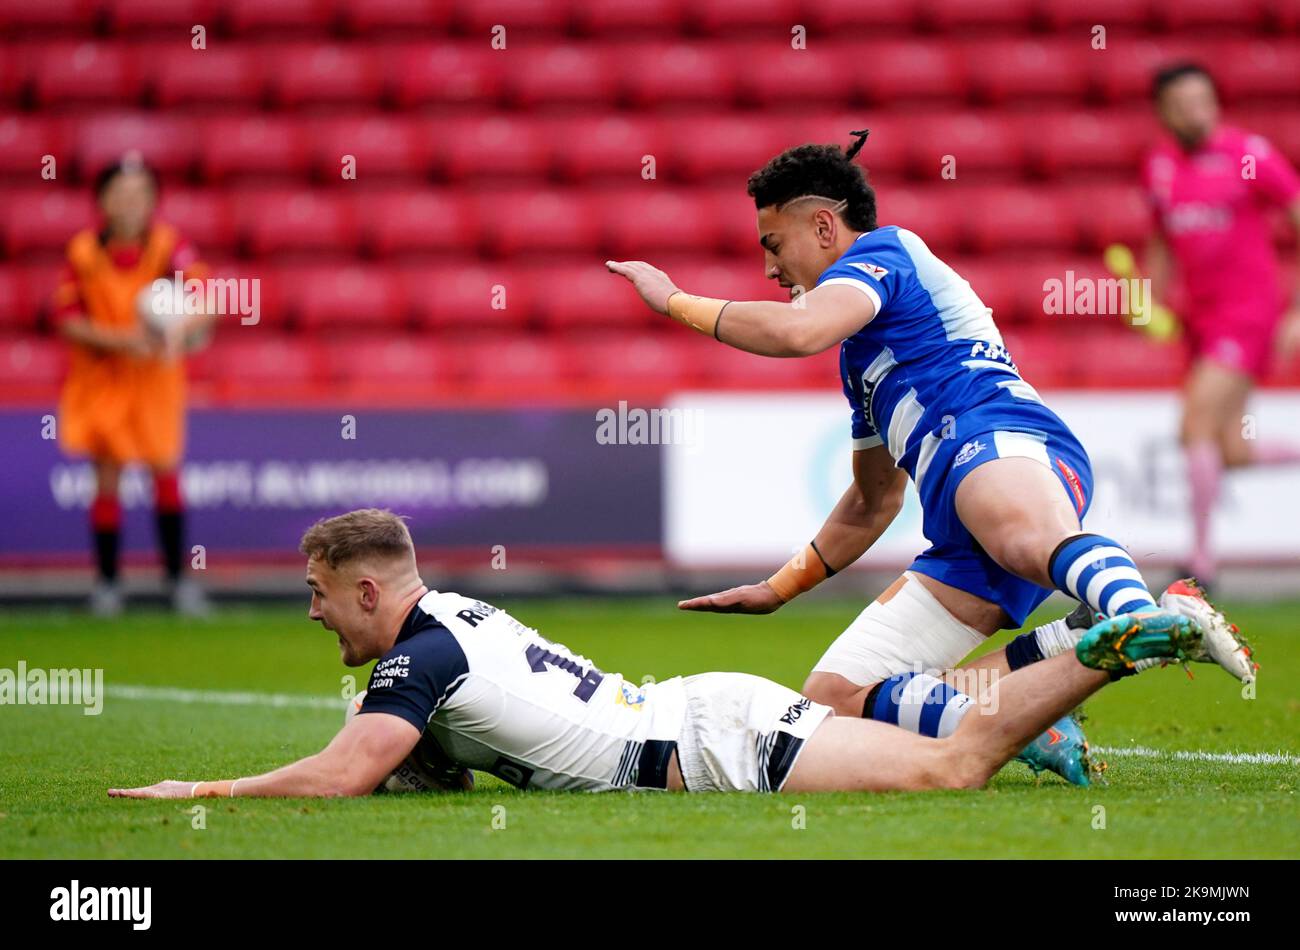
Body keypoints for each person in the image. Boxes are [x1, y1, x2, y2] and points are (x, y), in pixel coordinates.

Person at [605, 131, 1255, 748]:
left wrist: (674, 302)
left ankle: (1145, 615)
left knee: (1020, 537)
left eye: (775, 243)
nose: (770, 265)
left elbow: (795, 332)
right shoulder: (859, 360)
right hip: (957, 523)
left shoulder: (886, 254)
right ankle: (1063, 682)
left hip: (997, 436)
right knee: (836, 696)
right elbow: (871, 503)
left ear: (824, 227)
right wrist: (779, 589)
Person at [108, 509, 1227, 801]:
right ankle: (1079, 652)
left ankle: (1121, 637)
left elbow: (349, 768)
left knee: (951, 765)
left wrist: (209, 786)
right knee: (893, 713)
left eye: (317, 596)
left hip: (713, 743)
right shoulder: (445, 611)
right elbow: (433, 749)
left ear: (367, 590)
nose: (312, 615)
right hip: (697, 717)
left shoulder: (418, 657)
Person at [1142, 63, 1300, 587]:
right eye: (1183, 102)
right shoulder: (1159, 165)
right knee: (1230, 449)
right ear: (1164, 111)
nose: (1196, 110)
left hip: (1249, 314)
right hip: (1199, 320)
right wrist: (1153, 295)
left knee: (1194, 426)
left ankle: (1202, 564)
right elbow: (1163, 237)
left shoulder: (1249, 154)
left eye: (1202, 99)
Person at [54, 155, 215, 616]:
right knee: (106, 476)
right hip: (103, 379)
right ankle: (108, 585)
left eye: (141, 193)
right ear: (102, 200)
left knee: (165, 471)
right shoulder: (83, 252)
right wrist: (123, 341)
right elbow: (68, 320)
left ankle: (177, 582)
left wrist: (179, 331)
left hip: (156, 380)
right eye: (120, 193)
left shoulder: (170, 246)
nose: (130, 202)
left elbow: (205, 300)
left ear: (153, 201)